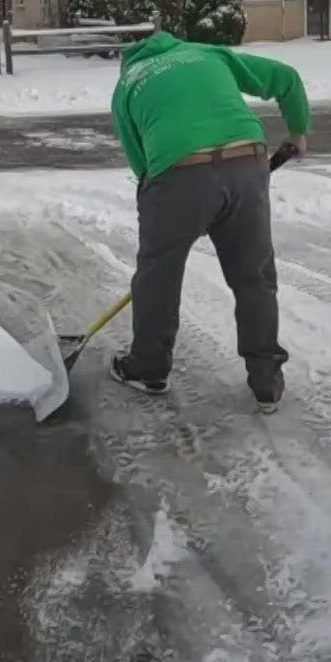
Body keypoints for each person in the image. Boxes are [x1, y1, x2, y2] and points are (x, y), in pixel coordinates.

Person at [107, 30, 309, 412]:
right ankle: (266, 379)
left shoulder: (127, 85)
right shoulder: (206, 52)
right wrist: (297, 131)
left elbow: (142, 164)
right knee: (254, 275)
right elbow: (286, 79)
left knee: (157, 276)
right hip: (247, 162)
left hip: (178, 172)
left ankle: (148, 368)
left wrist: (168, 216)